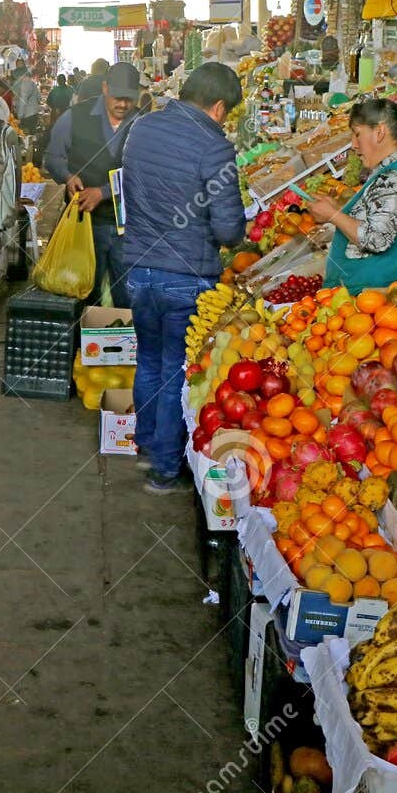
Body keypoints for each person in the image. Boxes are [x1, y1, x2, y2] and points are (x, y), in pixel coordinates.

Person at [120, 63, 244, 493]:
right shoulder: (214, 146)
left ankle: (150, 445)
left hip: (138, 270)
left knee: (149, 359)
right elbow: (229, 229)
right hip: (186, 275)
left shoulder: (141, 128)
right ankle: (166, 468)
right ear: (218, 107)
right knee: (176, 368)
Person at [43, 61, 141, 309]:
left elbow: (146, 172)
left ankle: (126, 344)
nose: (123, 105)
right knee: (85, 291)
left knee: (128, 296)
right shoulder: (75, 117)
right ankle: (85, 344)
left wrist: (103, 192)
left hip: (128, 228)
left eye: (129, 99)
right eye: (118, 97)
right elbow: (53, 157)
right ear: (105, 88)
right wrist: (66, 176)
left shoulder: (143, 122)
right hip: (85, 226)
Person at [313, 98, 397, 290]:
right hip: (370, 294)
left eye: (357, 134)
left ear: (379, 132)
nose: (353, 145)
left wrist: (333, 215)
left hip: (374, 296)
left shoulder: (396, 179)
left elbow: (377, 239)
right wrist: (338, 210)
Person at [11, 65, 42, 139]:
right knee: (29, 138)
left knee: (25, 138)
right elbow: (39, 97)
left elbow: (23, 100)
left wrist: (19, 116)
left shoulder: (25, 83)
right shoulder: (32, 83)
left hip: (27, 116)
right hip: (33, 114)